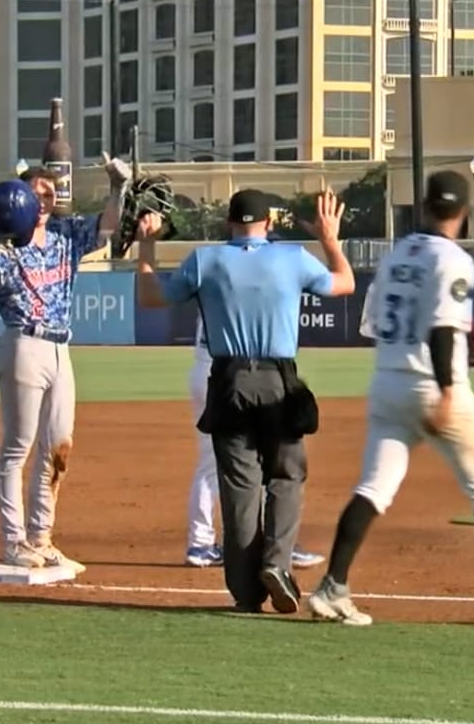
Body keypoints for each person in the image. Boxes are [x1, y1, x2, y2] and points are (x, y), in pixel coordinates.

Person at [305, 170, 474, 628]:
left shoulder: (396, 254)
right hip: (433, 384)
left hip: (388, 381)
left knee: (373, 487)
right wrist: (448, 389)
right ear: (464, 214)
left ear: (424, 206)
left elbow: (377, 324)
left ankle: (333, 587)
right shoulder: (455, 259)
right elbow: (444, 327)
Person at [137, 188, 356, 614]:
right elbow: (344, 283)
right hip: (279, 380)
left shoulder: (208, 260)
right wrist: (330, 239)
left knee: (239, 487)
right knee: (286, 476)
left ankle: (245, 591)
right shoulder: (292, 257)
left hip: (229, 379)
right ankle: (276, 563)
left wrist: (146, 245)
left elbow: (150, 297)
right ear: (268, 225)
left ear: (228, 224)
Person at [0, 161, 124, 573]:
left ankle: (41, 538)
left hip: (60, 347)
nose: (45, 200)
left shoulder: (67, 235)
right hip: (22, 342)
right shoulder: (3, 240)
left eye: (50, 194)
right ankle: (14, 541)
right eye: (37, 193)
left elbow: (109, 226)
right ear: (22, 199)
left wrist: (118, 186)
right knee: (17, 447)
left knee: (58, 447)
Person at [184, 313, 326, 570]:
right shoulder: (249, 282)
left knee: (216, 464)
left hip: (212, 369)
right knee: (260, 462)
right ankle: (272, 547)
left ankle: (205, 543)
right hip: (232, 373)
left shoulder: (213, 275)